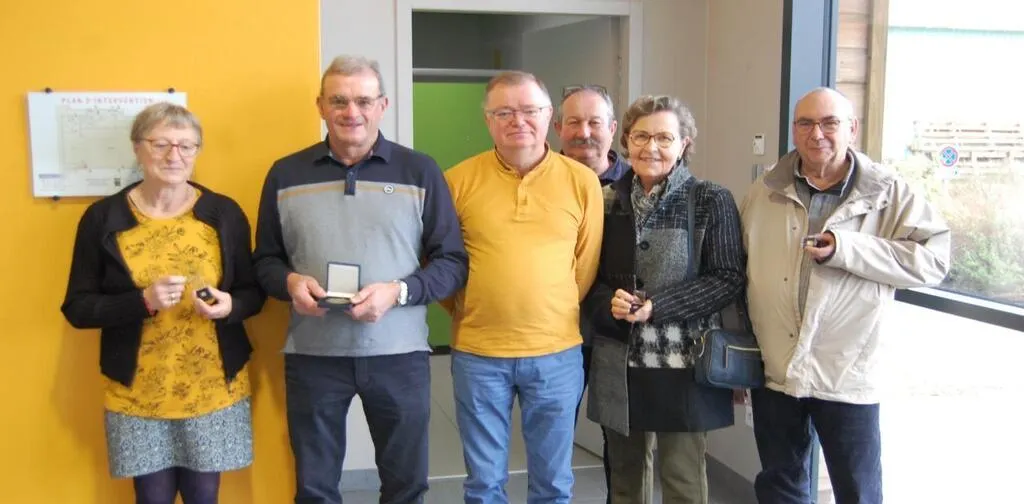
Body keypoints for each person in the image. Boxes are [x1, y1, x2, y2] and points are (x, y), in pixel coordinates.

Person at [252, 55, 468, 504]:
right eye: (340, 100)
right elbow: (265, 261)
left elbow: (452, 262)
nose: (352, 112)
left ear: (383, 105)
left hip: (399, 354)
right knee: (314, 486)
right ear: (320, 106)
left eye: (364, 100)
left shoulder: (420, 171)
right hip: (313, 354)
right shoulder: (284, 174)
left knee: (406, 482)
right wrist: (289, 283)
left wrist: (399, 291)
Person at [740, 87, 951, 504]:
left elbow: (934, 260)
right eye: (805, 123)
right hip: (776, 372)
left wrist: (847, 249)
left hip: (846, 374)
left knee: (857, 492)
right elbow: (741, 271)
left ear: (851, 128)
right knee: (780, 488)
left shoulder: (888, 192)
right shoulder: (763, 191)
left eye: (830, 122)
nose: (817, 133)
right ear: (794, 131)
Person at [61, 102, 265, 504]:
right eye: (161, 144)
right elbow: (78, 307)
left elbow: (253, 292)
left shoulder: (223, 214)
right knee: (151, 498)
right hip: (138, 392)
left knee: (204, 497)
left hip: (213, 389)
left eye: (186, 146)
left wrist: (229, 306)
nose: (175, 156)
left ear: (197, 152)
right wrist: (141, 301)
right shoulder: (103, 218)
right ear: (138, 149)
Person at [442, 70, 604, 503]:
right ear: (488, 119)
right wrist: (472, 308)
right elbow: (440, 265)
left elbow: (584, 267)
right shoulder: (456, 181)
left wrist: (549, 307)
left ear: (549, 115)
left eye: (529, 110)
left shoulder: (582, 182)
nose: (518, 120)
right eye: (504, 111)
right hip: (478, 354)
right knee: (483, 484)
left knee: (553, 484)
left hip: (556, 354)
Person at [582, 95, 746, 504]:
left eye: (664, 137)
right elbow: (586, 276)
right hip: (618, 360)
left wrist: (659, 305)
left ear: (685, 143)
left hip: (684, 362)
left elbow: (727, 278)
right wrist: (609, 303)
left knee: (683, 481)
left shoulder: (710, 199)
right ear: (625, 140)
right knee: (624, 479)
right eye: (640, 136)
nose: (650, 147)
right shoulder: (605, 201)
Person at [553, 83, 631, 501]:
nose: (585, 132)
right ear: (557, 127)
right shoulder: (542, 181)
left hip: (616, 331)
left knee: (620, 442)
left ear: (612, 128)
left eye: (595, 122)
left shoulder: (638, 185)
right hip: (554, 333)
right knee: (552, 435)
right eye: (574, 122)